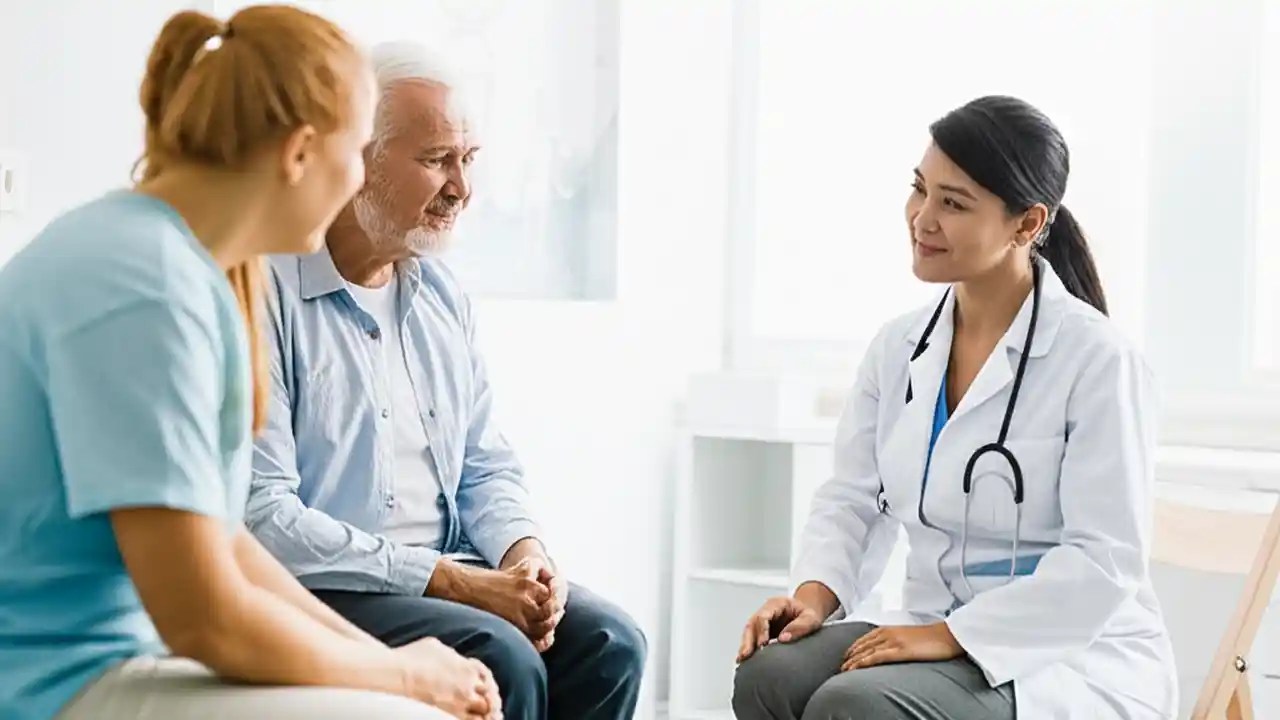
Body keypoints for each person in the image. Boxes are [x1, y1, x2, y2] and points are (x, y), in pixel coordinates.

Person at [0, 9, 500, 720]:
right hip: (51, 683)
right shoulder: (143, 285)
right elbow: (204, 618)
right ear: (300, 154)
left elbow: (224, 543)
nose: (356, 182)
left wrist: (396, 664)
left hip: (122, 658)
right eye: (354, 153)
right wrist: (403, 679)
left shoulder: (183, 267)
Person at [732, 95, 1178, 720]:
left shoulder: (1099, 361)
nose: (923, 218)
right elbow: (853, 500)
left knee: (855, 706)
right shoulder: (899, 348)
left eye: (954, 203)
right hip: (931, 628)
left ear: (1027, 224)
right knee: (768, 676)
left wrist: (952, 636)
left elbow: (1103, 562)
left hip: (1067, 660)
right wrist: (814, 597)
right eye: (920, 189)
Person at [246, 40, 646, 720]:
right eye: (437, 160)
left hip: (449, 571)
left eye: (469, 158)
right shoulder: (265, 292)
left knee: (611, 644)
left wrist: (525, 557)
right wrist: (452, 582)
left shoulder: (441, 296)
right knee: (503, 658)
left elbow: (484, 467)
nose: (462, 188)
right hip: (326, 586)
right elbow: (265, 516)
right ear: (359, 160)